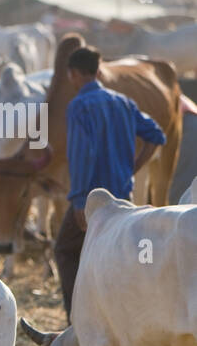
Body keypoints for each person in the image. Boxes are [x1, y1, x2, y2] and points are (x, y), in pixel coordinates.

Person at [54, 46, 167, 317]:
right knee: (121, 257)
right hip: (123, 199)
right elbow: (156, 135)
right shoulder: (123, 102)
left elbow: (81, 156)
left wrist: (80, 200)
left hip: (94, 200)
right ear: (97, 70)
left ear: (74, 74)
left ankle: (78, 317)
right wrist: (134, 166)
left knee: (65, 251)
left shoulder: (79, 106)